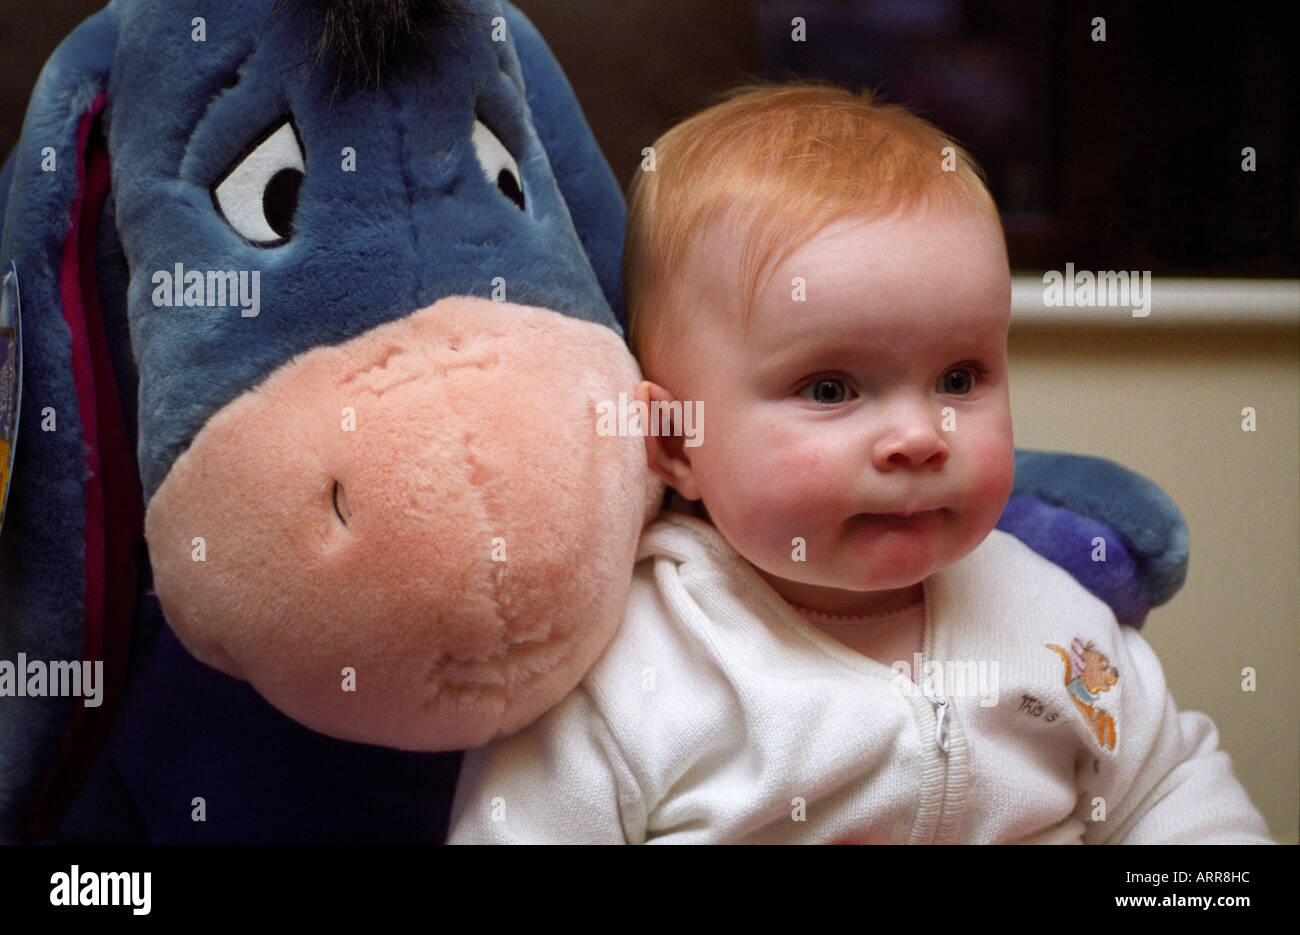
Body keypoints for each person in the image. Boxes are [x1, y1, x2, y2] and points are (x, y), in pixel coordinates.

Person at [448, 84, 1272, 843]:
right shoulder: (633, 667)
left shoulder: (1052, 616)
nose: (919, 436)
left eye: (960, 378)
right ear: (675, 441)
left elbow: (1168, 793)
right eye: (832, 387)